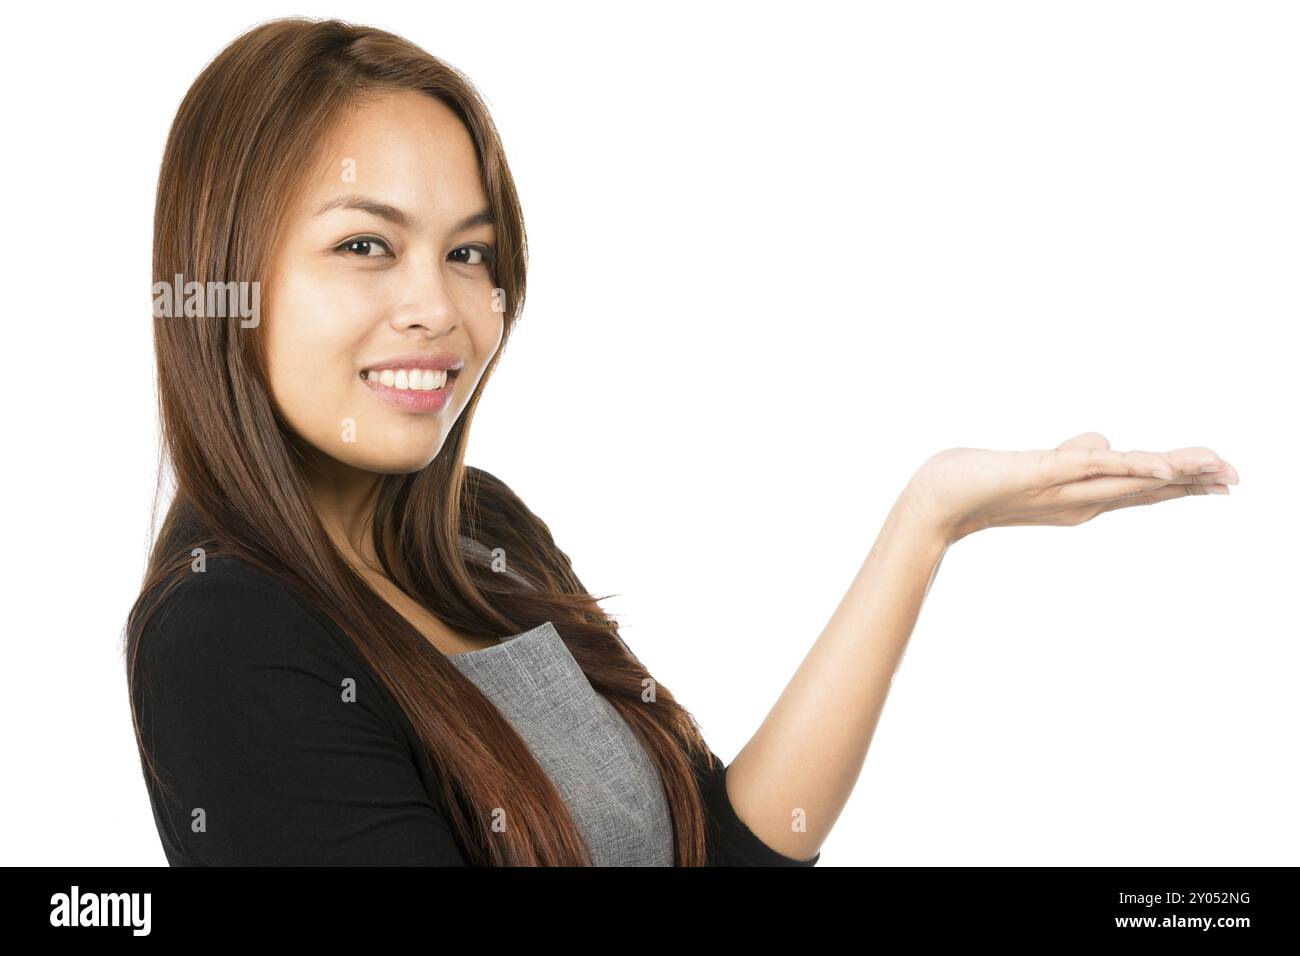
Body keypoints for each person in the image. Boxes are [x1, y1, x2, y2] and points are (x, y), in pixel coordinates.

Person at [124, 17, 1239, 867]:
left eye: (471, 253)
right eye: (368, 244)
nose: (438, 308)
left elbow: (721, 846)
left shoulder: (481, 529)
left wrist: (926, 523)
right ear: (227, 281)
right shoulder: (225, 630)